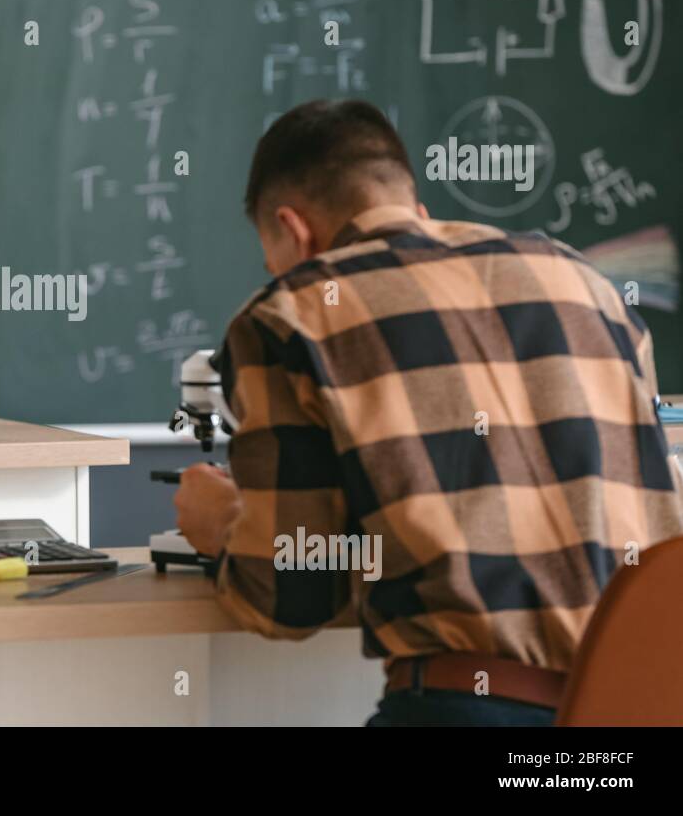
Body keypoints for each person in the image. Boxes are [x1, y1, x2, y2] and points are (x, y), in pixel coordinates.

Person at [173, 99, 683, 726]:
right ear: (416, 209)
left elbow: (289, 597)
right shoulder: (589, 286)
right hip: (640, 718)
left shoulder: (291, 313)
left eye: (271, 257)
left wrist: (221, 522)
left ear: (295, 229)